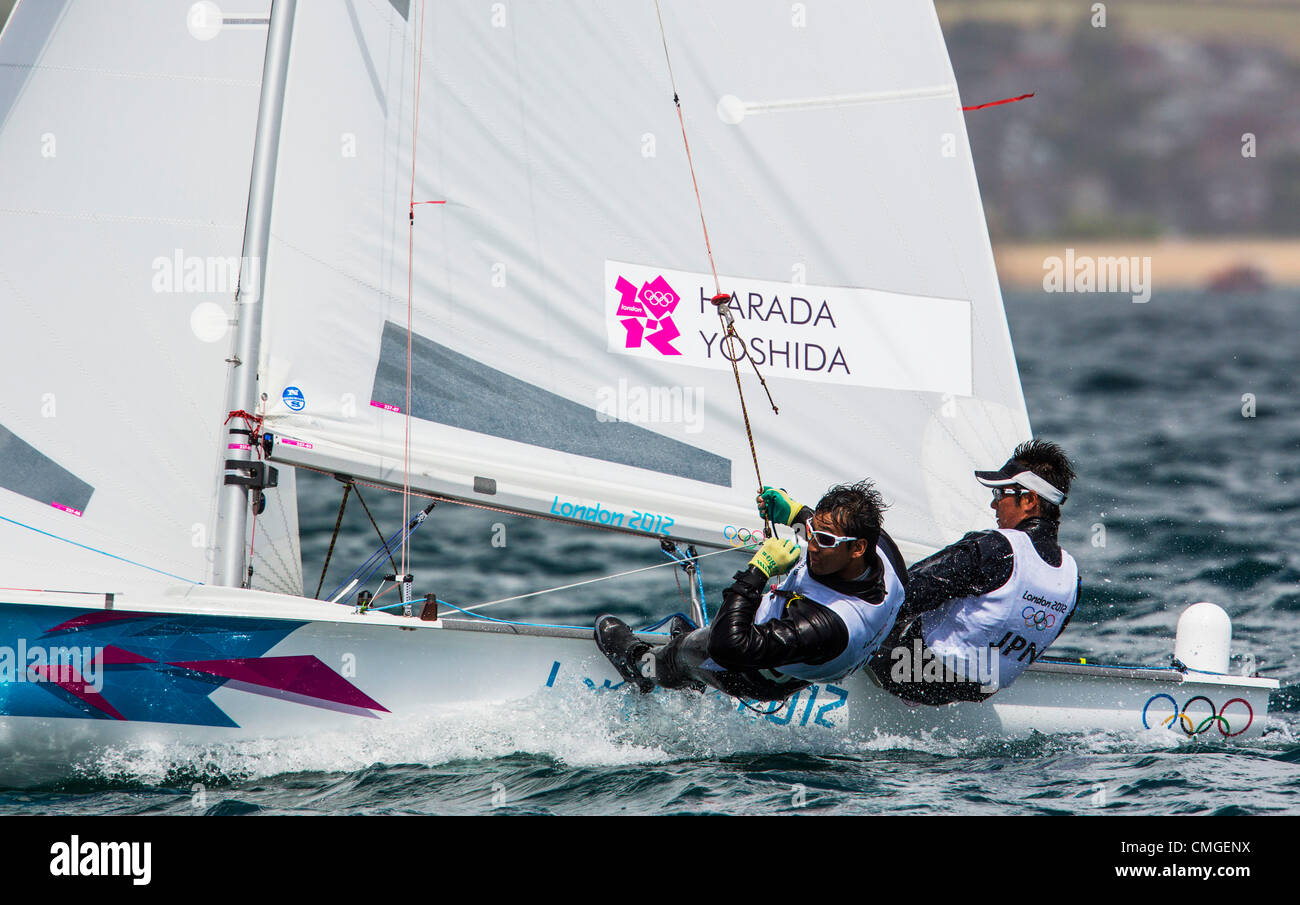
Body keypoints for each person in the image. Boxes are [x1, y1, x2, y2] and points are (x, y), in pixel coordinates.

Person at [594, 481, 907, 702]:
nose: (811, 546)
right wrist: (795, 513)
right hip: (800, 653)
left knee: (685, 652)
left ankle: (640, 667)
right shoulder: (882, 551)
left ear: (857, 548)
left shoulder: (826, 624)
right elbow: (826, 532)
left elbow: (728, 647)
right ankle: (692, 677)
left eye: (823, 542)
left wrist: (759, 569)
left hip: (753, 673)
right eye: (811, 533)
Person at [869, 439, 1080, 704]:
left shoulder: (996, 548)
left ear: (1028, 500)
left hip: (908, 670)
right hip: (980, 689)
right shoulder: (1071, 578)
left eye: (1000, 494)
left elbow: (905, 594)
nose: (994, 505)